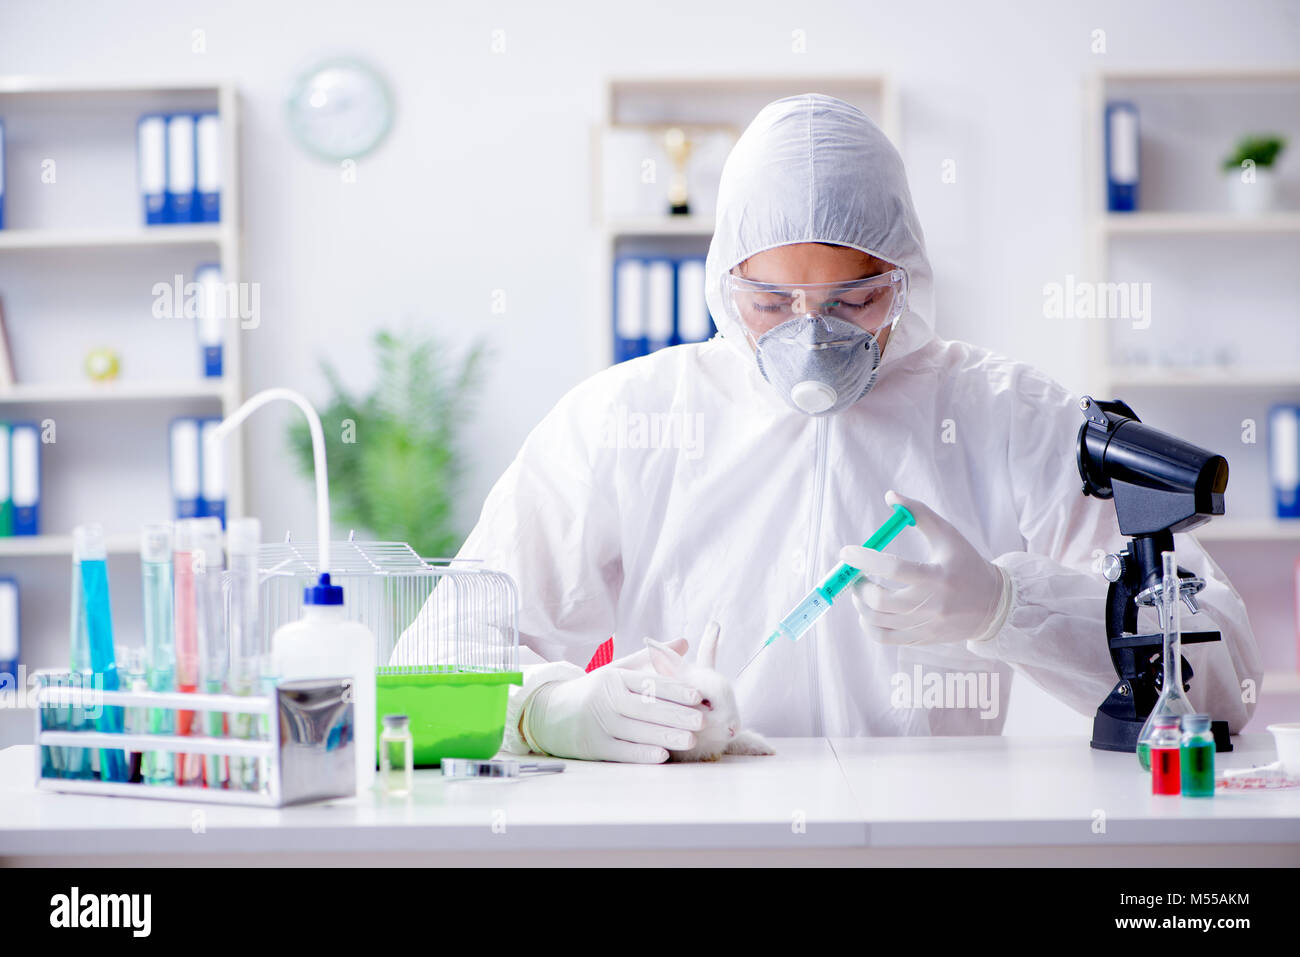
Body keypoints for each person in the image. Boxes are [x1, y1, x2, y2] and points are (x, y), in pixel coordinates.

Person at [400, 93, 1261, 763]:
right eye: (772, 303)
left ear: (906, 275)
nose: (812, 335)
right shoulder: (627, 420)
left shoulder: (1007, 414)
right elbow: (428, 669)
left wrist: (1010, 603)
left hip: (937, 839)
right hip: (692, 834)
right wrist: (552, 708)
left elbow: (1226, 681)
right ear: (723, 283)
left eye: (855, 299)